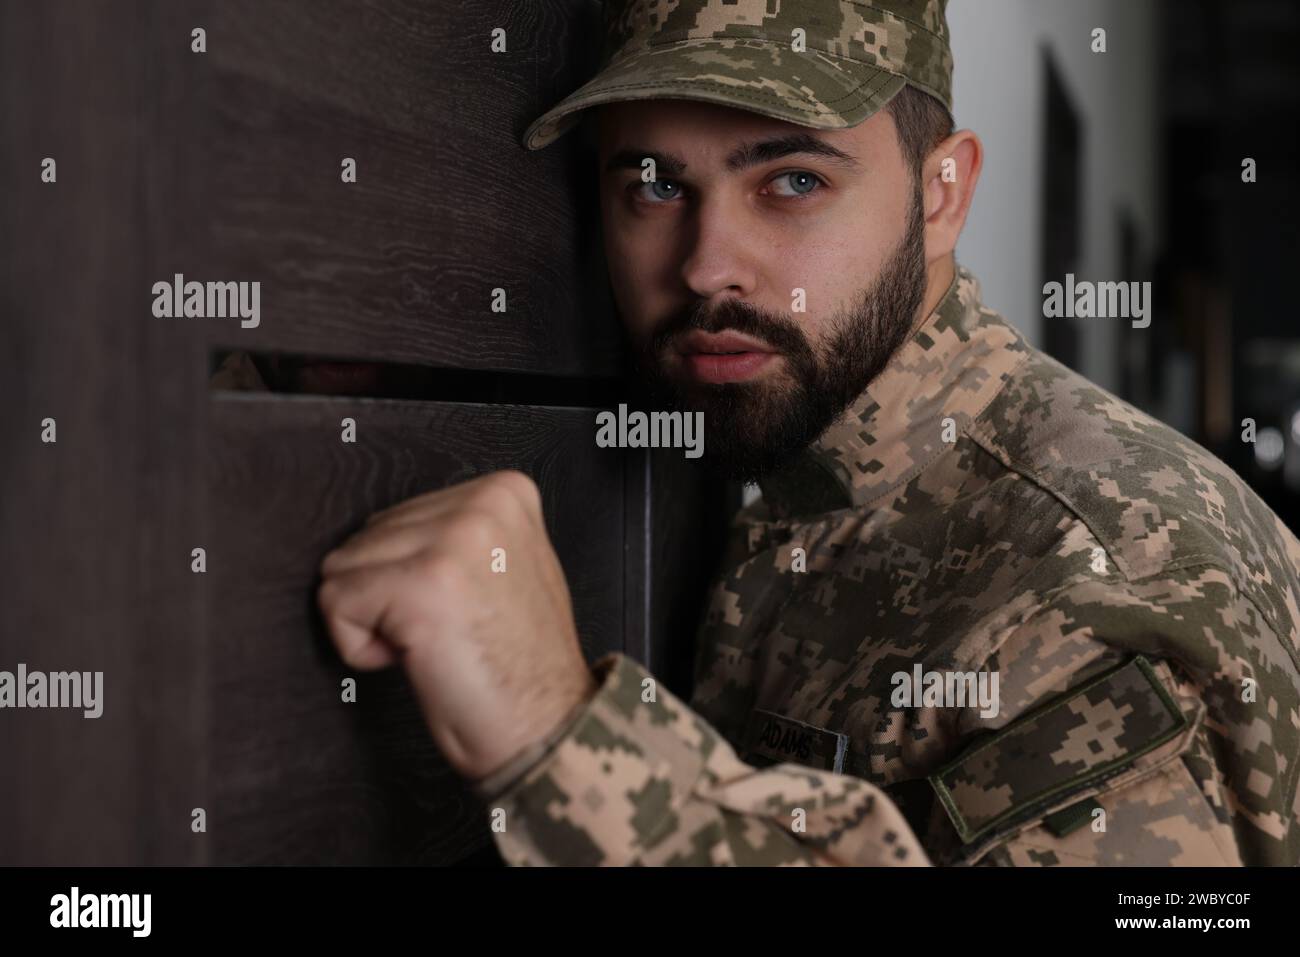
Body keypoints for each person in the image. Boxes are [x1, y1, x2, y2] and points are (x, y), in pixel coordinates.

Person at [316, 0, 1300, 865]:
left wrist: (556, 736)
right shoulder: (813, 471)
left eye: (790, 181)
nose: (706, 269)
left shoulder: (1093, 593)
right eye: (656, 185)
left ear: (941, 194)